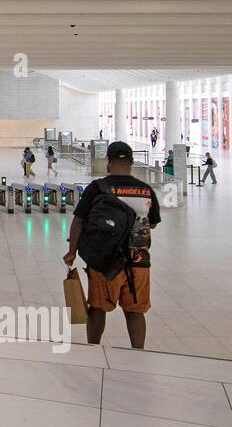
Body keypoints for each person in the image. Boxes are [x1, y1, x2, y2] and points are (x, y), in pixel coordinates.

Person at [63, 141, 161, 349]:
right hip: (138, 261)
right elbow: (152, 222)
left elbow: (79, 220)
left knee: (97, 308)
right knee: (135, 311)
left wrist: (72, 252)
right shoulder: (145, 190)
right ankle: (138, 352)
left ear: (108, 162)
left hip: (103, 261)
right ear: (132, 162)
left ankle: (93, 349)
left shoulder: (97, 188)